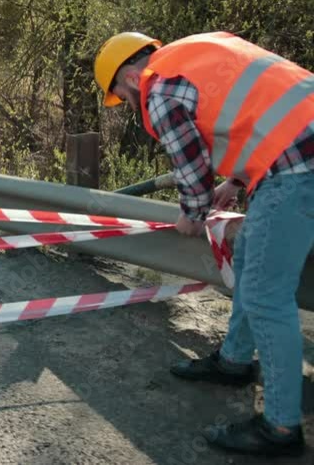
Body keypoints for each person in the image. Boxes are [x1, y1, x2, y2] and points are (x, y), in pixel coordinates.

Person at [94, 31, 314, 457]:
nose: (127, 100)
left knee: (267, 297)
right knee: (251, 254)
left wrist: (192, 215)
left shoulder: (157, 89)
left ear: (132, 73)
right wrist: (235, 180)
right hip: (297, 154)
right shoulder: (200, 49)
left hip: (295, 172)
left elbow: (190, 163)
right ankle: (234, 361)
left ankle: (282, 428)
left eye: (121, 91)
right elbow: (264, 112)